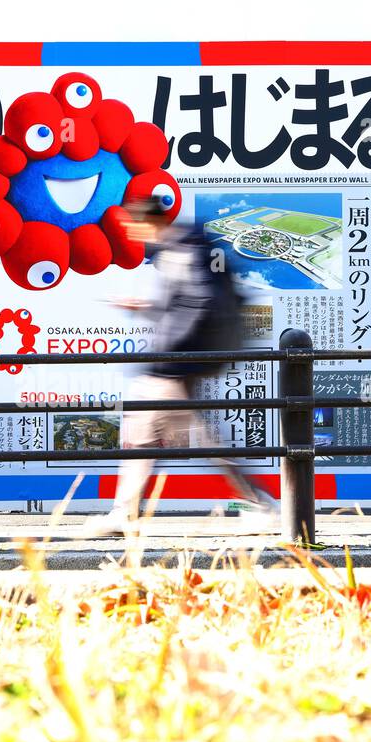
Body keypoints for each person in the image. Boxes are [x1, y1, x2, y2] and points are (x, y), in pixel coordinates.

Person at [83, 196, 275, 537]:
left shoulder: (182, 251)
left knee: (186, 437)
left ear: (147, 222)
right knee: (155, 434)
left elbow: (201, 304)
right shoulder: (183, 248)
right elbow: (187, 304)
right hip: (177, 363)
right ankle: (125, 513)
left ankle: (258, 506)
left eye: (130, 226)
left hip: (173, 364)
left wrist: (171, 353)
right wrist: (149, 308)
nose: (129, 233)